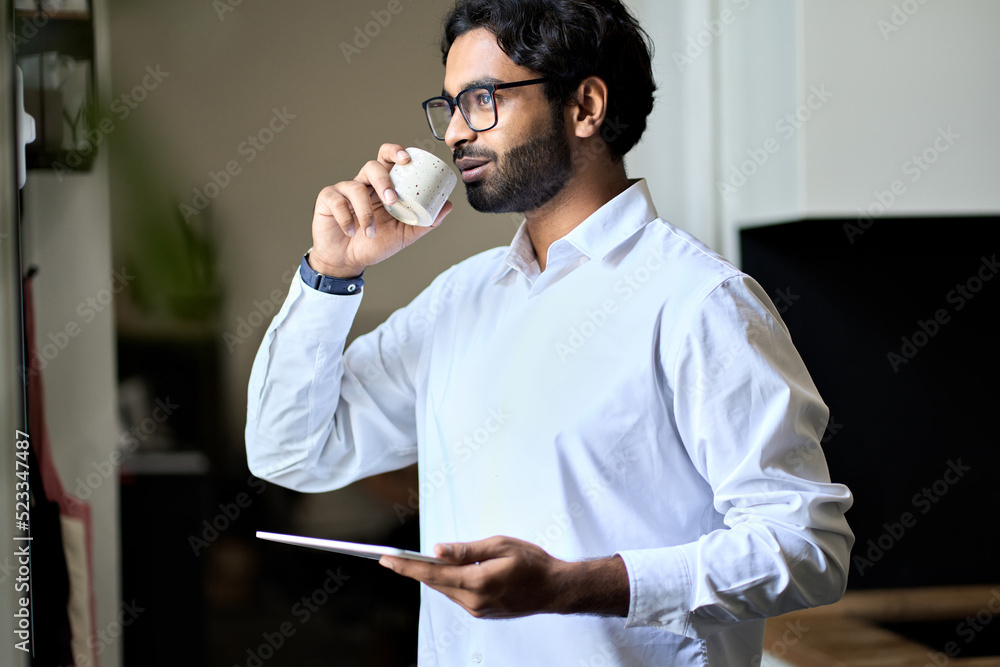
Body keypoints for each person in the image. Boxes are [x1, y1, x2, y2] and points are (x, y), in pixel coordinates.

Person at [245, 0, 854, 664]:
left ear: (585, 106)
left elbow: (806, 546)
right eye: (449, 106)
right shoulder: (458, 299)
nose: (452, 134)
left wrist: (573, 585)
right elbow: (288, 452)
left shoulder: (700, 302)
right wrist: (332, 272)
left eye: (481, 99)